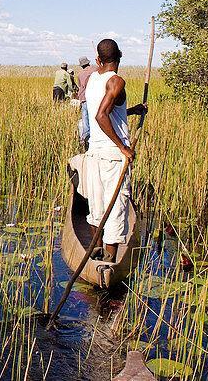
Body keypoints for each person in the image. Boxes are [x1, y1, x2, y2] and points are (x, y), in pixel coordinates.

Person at [83, 38, 147, 262]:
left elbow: (108, 111)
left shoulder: (93, 78)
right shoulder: (116, 81)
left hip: (95, 152)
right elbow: (101, 115)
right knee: (116, 206)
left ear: (98, 59)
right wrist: (123, 147)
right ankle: (109, 260)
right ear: (120, 55)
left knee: (97, 204)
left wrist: (131, 111)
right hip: (112, 156)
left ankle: (95, 250)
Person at [75, 56, 98, 149]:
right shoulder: (95, 70)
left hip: (84, 98)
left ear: (81, 65)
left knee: (85, 120)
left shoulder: (80, 74)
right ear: (88, 62)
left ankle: (85, 139)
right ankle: (94, 138)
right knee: (94, 118)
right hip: (94, 98)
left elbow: (80, 86)